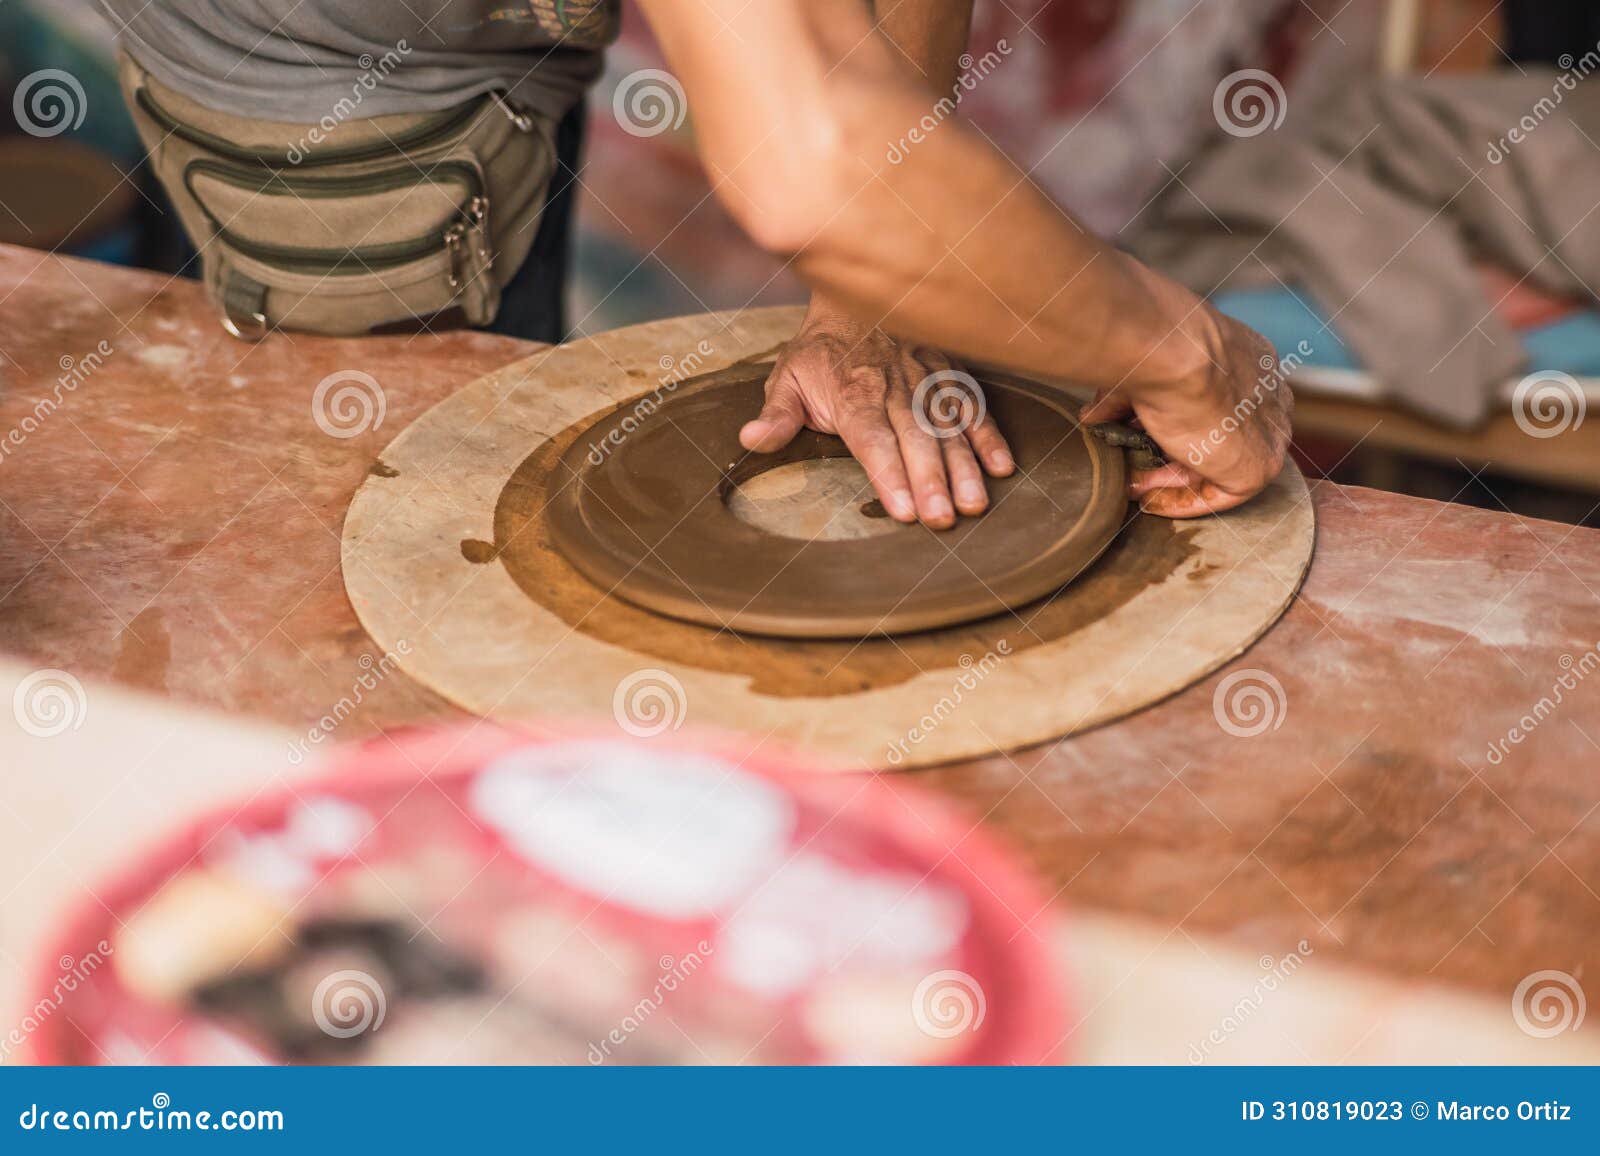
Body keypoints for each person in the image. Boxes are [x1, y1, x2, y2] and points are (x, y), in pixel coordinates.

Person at [103, 0, 1290, 526]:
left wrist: (859, 293)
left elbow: (845, 97)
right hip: (335, 68)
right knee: (384, 532)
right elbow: (811, 162)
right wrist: (1180, 352)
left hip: (512, 36)